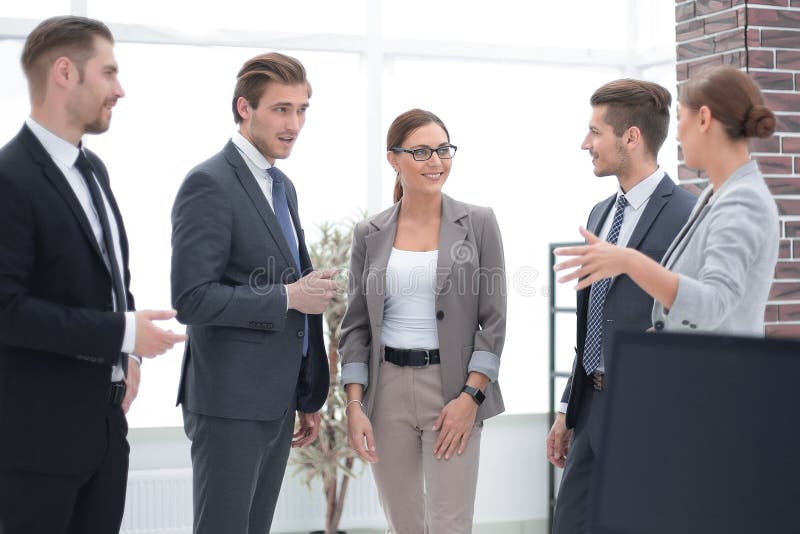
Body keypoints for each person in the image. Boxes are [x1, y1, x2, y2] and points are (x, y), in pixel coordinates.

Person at [0, 16, 184, 534]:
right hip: (36, 446)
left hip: (104, 432)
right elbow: (7, 310)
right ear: (65, 72)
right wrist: (122, 333)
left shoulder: (93, 169)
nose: (119, 89)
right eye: (108, 72)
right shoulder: (9, 177)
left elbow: (110, 277)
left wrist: (127, 357)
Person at [171, 52, 334, 534]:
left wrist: (306, 391)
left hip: (277, 400)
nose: (295, 124)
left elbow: (298, 289)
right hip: (229, 404)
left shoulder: (281, 186)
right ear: (245, 108)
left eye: (302, 110)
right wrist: (287, 297)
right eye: (282, 109)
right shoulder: (209, 183)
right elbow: (192, 299)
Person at [339, 108, 507, 533]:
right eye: (421, 151)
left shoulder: (479, 223)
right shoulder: (369, 232)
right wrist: (355, 405)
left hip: (454, 390)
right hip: (386, 394)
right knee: (404, 524)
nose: (436, 161)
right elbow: (356, 327)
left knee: (450, 525)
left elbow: (494, 322)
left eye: (443, 149)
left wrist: (471, 397)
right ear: (393, 159)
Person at [546, 79, 696, 533]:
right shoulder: (599, 213)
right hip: (590, 405)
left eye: (595, 132)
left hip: (646, 408)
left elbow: (694, 318)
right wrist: (567, 408)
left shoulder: (688, 215)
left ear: (631, 137)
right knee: (570, 524)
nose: (585, 143)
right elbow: (591, 322)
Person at [554, 66, 779, 336]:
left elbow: (714, 305)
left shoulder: (743, 199)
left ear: (704, 119)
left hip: (721, 364)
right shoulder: (717, 196)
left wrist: (629, 261)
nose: (677, 134)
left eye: (681, 118)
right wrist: (657, 341)